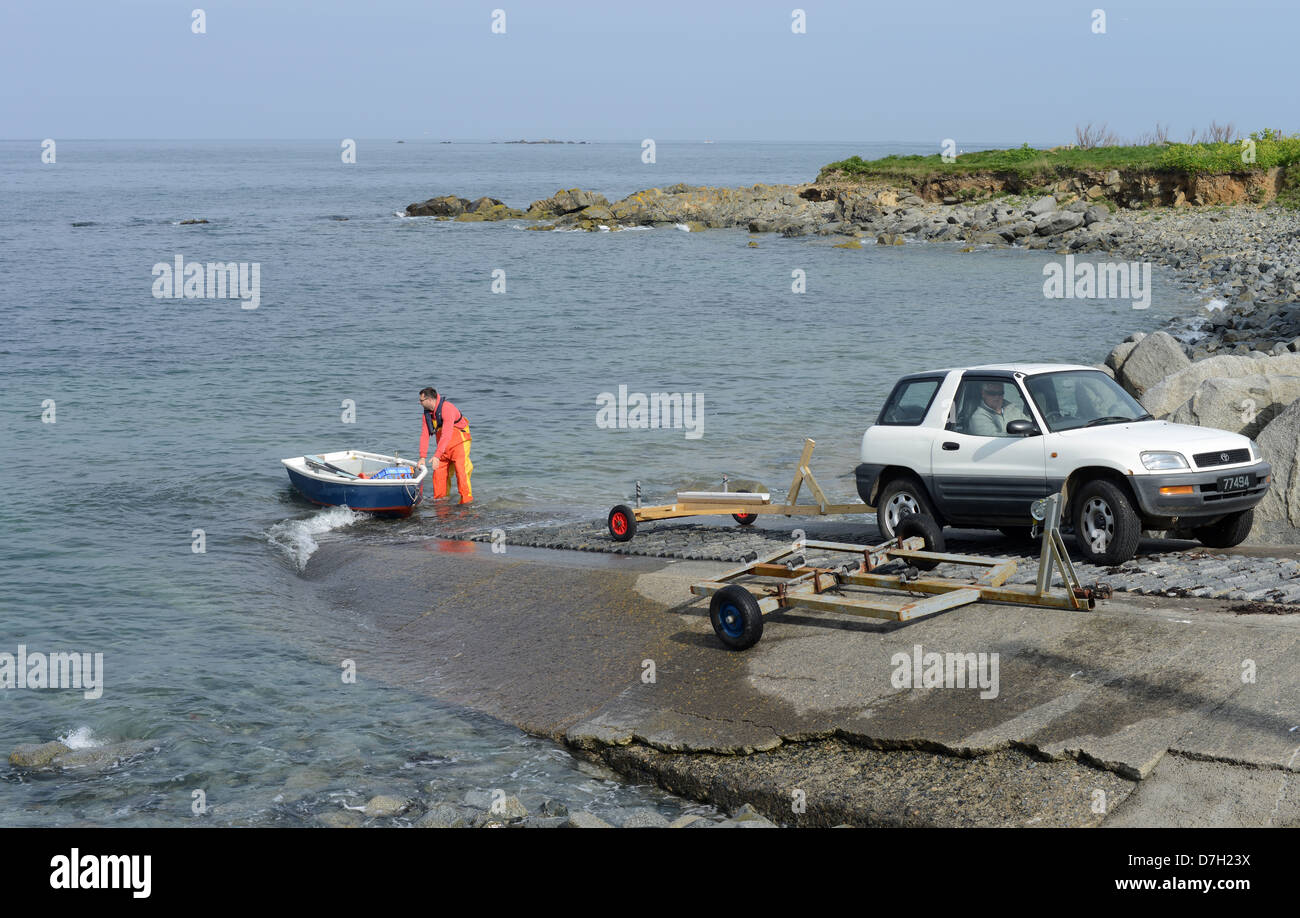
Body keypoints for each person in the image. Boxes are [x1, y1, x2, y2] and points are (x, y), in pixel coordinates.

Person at [418, 387, 473, 504]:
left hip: (459, 443)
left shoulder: (447, 408)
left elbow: (447, 434)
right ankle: (441, 502)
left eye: (421, 400)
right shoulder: (426, 414)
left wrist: (437, 455)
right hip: (443, 447)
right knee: (438, 473)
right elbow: (424, 435)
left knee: (461, 472)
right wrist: (422, 457)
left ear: (430, 400)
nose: (420, 403)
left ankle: (466, 502)